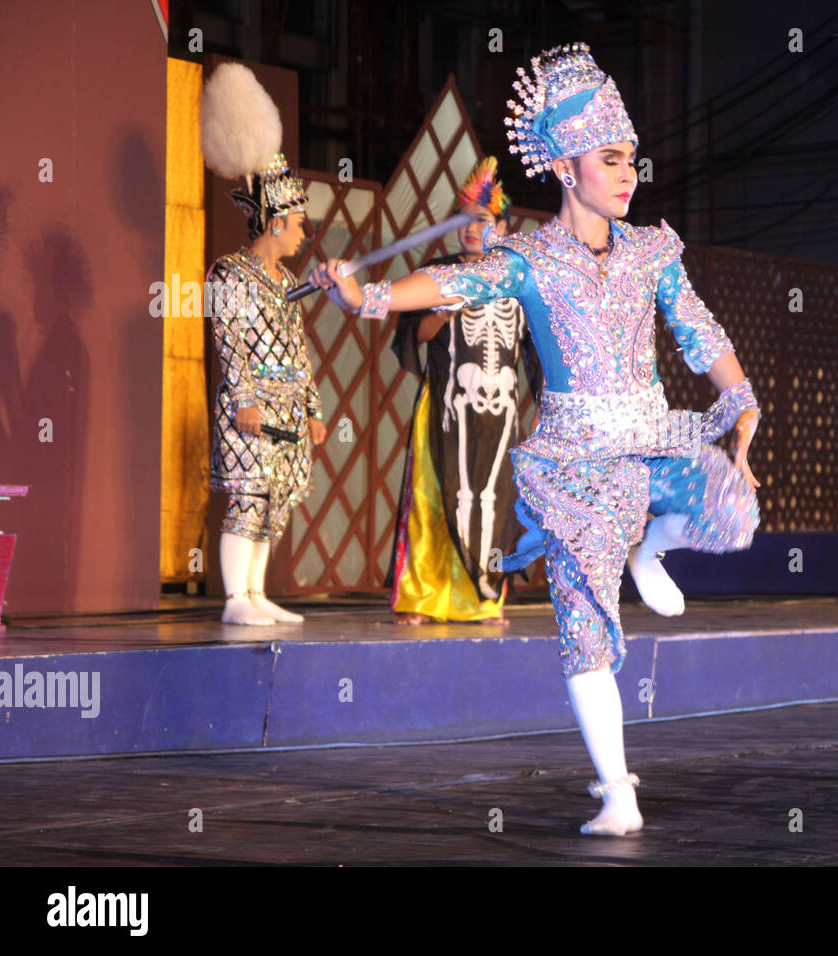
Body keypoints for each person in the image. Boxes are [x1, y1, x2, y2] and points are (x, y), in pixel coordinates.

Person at [309, 43, 760, 835]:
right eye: (610, 159)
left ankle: (649, 546)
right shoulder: (530, 259)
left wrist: (740, 395)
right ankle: (618, 790)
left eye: (632, 160)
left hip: (650, 442)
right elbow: (451, 282)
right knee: (583, 622)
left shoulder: (652, 250)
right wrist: (365, 294)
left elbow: (698, 328)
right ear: (565, 165)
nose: (628, 174)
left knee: (735, 514)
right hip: (574, 464)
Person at [388, 157, 543, 625]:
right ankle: (422, 598)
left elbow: (535, 351)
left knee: (493, 504)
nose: (472, 230)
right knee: (436, 501)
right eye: (464, 221)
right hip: (446, 408)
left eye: (482, 221)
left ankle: (483, 599)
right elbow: (411, 336)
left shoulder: (518, 281)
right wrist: (446, 309)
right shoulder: (438, 273)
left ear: (501, 225)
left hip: (499, 413)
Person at [200, 63, 326, 628]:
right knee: (248, 498)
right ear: (274, 223)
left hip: (285, 408)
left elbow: (298, 352)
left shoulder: (283, 285)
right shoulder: (228, 274)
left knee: (273, 504)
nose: (303, 234)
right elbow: (230, 343)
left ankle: (254, 592)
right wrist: (245, 401)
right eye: (298, 223)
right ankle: (234, 600)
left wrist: (312, 410)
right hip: (248, 408)